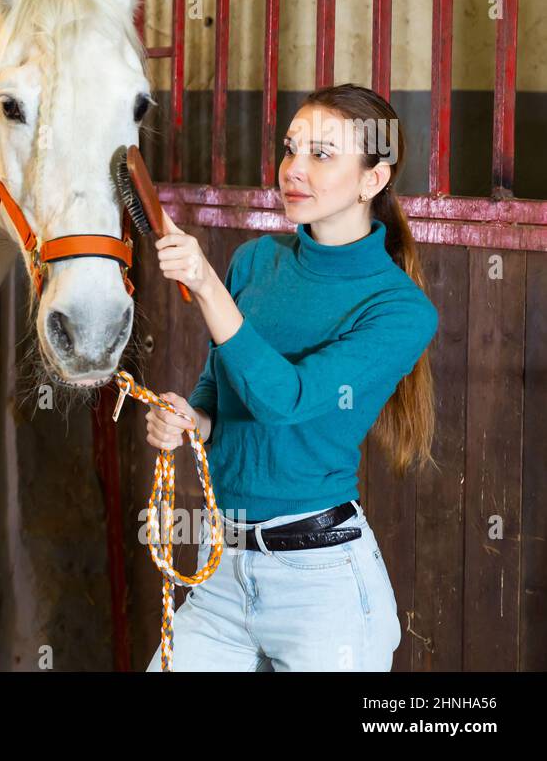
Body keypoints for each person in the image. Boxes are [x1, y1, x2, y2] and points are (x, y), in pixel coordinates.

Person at [143, 83, 438, 671]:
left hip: (321, 586)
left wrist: (205, 285)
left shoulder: (399, 309)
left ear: (372, 181)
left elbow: (286, 399)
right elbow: (220, 386)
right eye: (289, 149)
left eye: (322, 155)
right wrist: (192, 419)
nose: (293, 170)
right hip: (221, 567)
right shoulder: (255, 260)